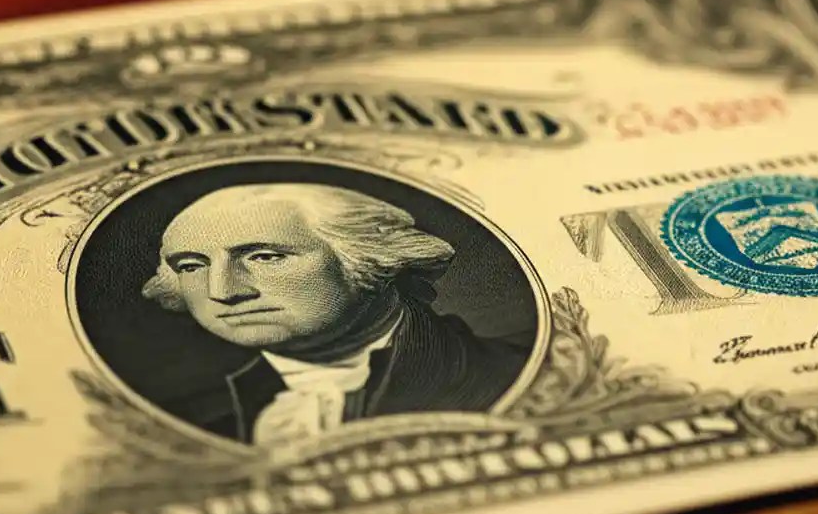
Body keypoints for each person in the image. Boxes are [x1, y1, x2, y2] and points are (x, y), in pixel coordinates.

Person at [141, 183, 528, 445]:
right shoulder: (180, 428)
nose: (223, 292)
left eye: (265, 257)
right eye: (192, 266)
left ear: (369, 258)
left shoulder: (516, 373)